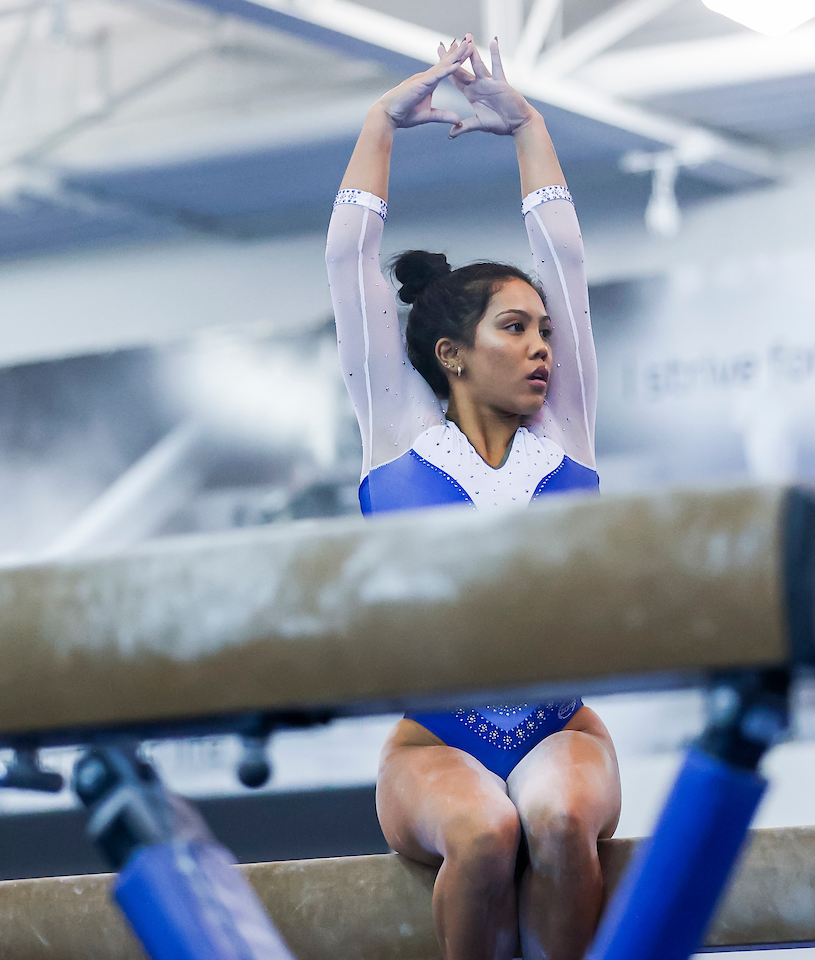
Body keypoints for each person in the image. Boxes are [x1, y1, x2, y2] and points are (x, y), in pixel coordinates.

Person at [326, 35, 620, 960]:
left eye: (544, 330)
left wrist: (527, 124)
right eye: (515, 328)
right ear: (452, 354)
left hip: (559, 729)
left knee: (557, 820)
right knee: (487, 834)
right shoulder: (395, 434)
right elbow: (348, 260)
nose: (543, 346)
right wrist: (383, 123)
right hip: (434, 744)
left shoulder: (564, 431)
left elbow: (563, 260)